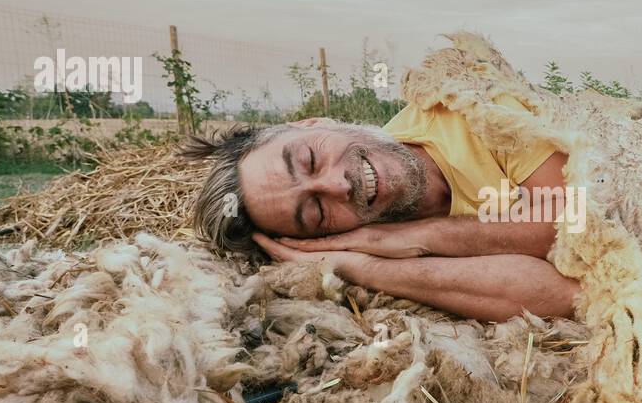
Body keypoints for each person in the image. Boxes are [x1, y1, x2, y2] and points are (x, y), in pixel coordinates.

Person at [183, 95, 579, 321]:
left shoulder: (470, 110)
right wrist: (365, 267)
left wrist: (422, 236)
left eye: (309, 160)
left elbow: (577, 223)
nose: (338, 185)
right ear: (325, 238)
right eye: (316, 212)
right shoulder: (368, 248)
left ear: (312, 123)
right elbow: (564, 294)